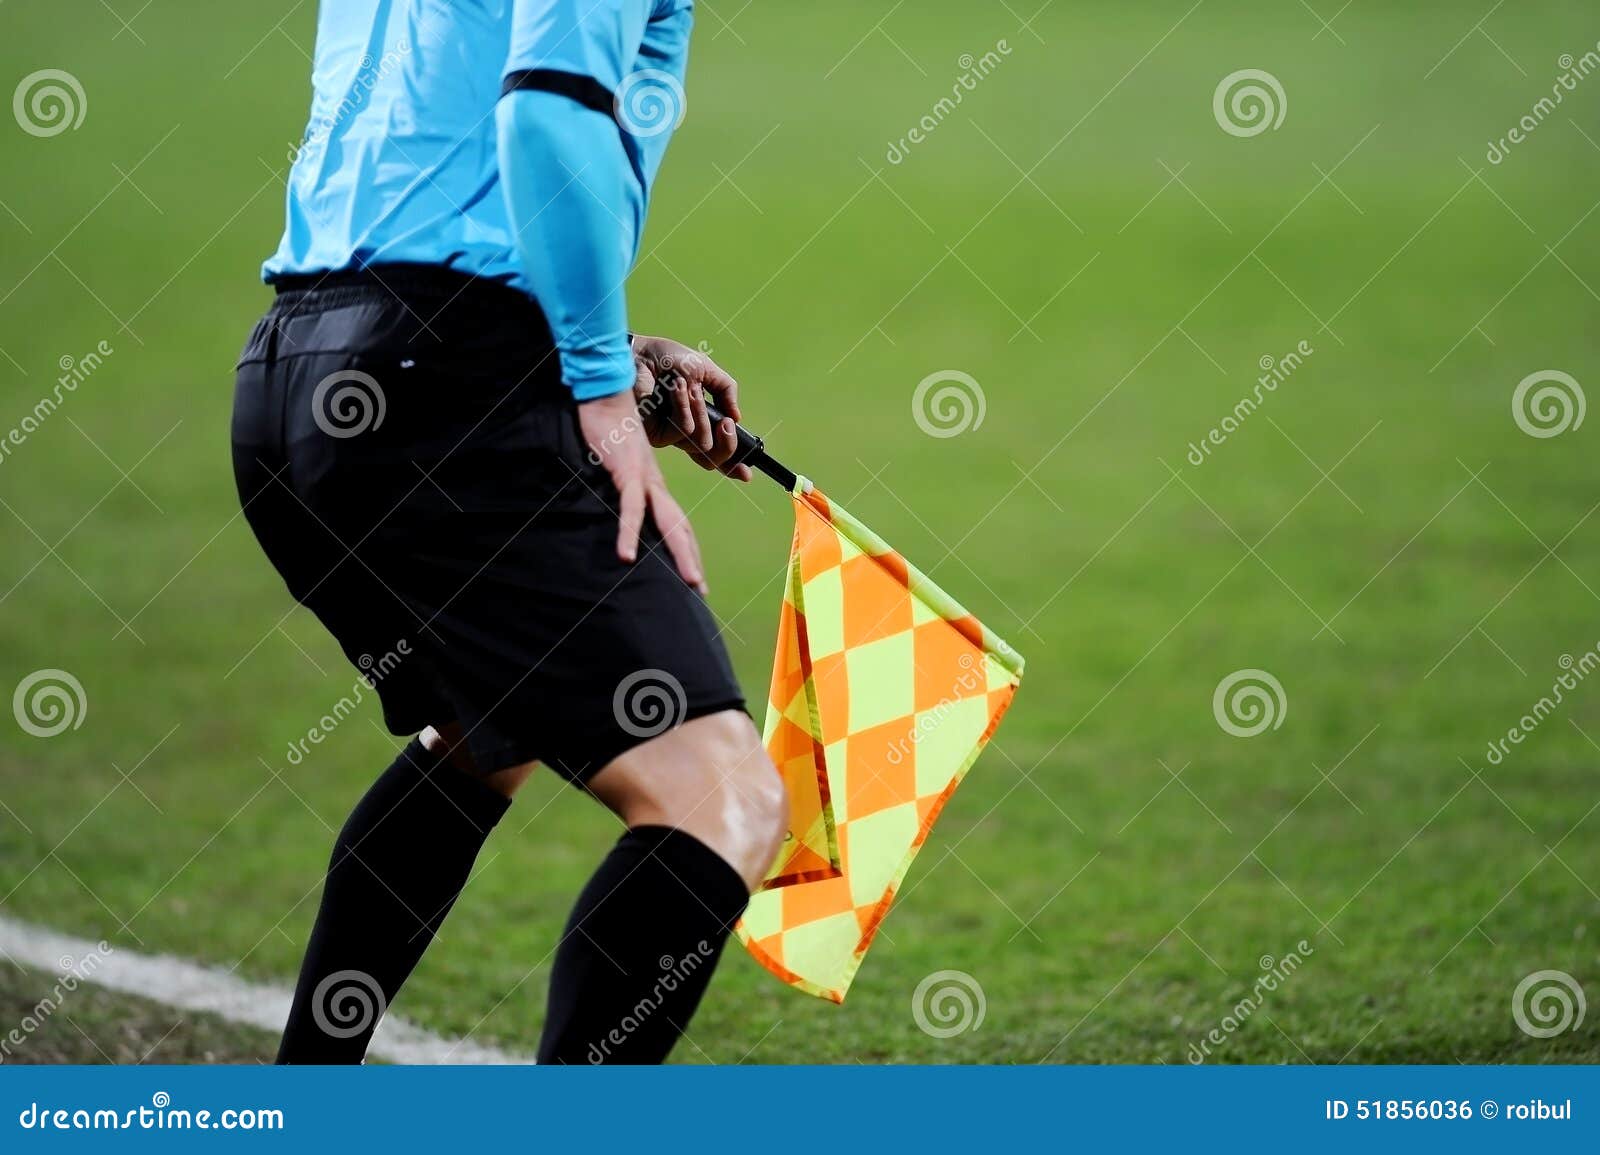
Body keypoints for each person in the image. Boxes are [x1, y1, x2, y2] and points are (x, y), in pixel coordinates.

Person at [231, 0, 787, 1064]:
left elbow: (429, 183)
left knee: (484, 734)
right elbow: (543, 112)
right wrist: (593, 385)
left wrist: (601, 350)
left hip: (292, 378)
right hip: (441, 390)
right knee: (721, 797)